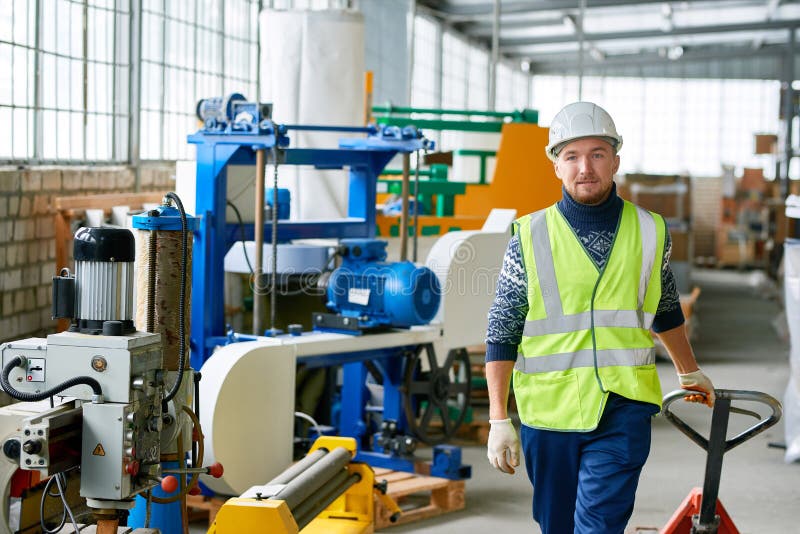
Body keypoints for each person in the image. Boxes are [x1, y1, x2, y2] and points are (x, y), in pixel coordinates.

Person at [484, 101, 715, 534]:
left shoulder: (650, 231)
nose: (584, 167)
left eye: (596, 154)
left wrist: (689, 371)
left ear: (615, 162)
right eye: (571, 156)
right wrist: (499, 418)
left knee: (600, 524)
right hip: (549, 413)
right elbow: (503, 328)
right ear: (556, 165)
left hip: (622, 406)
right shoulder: (529, 236)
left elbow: (664, 306)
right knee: (556, 525)